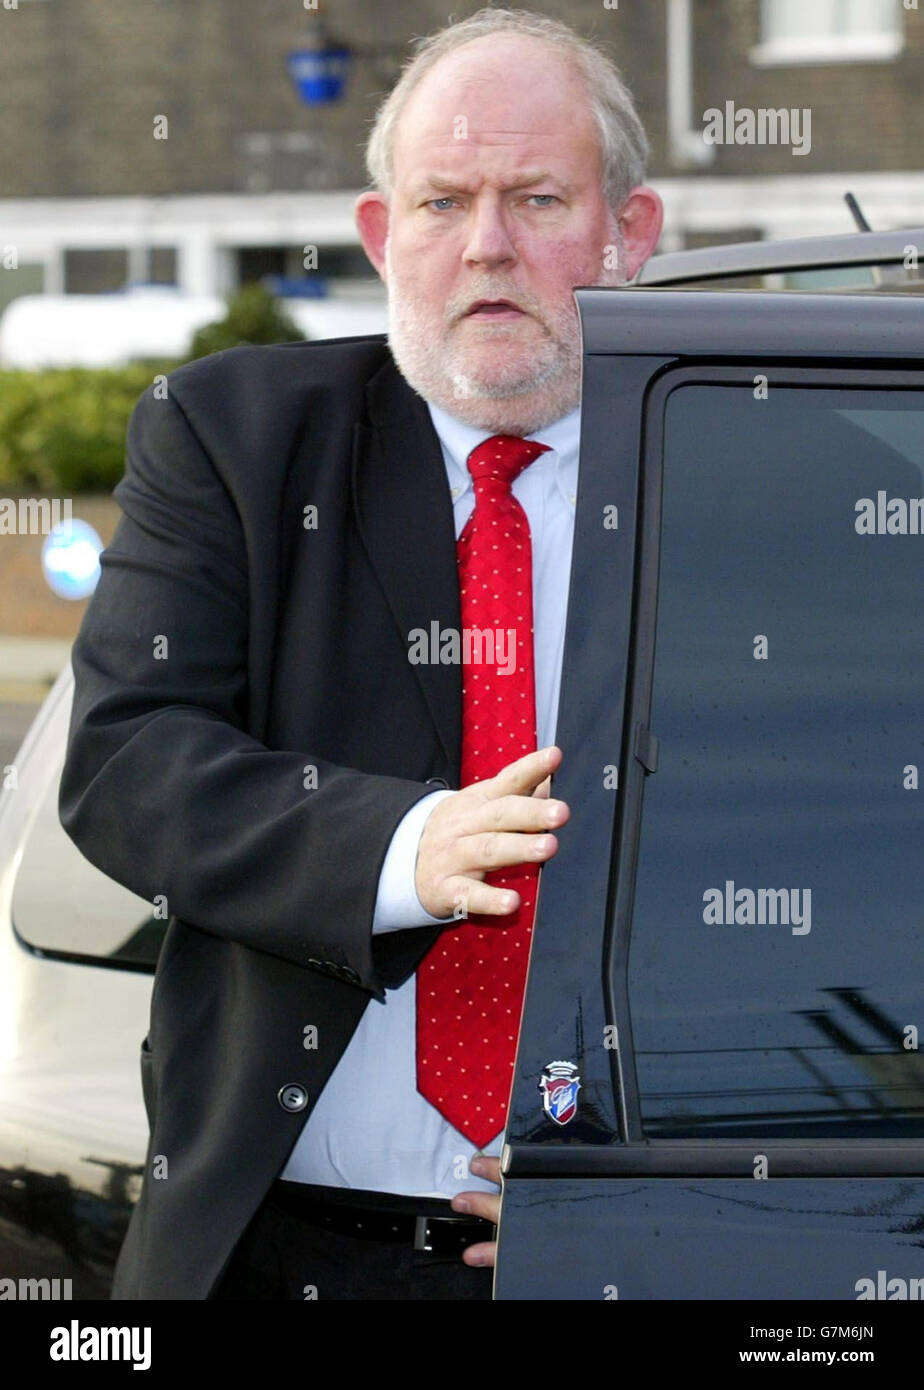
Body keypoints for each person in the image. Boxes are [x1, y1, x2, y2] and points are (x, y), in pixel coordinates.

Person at [58, 6, 662, 1300]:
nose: (487, 246)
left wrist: (677, 1174)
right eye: (442, 202)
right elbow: (126, 761)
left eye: (539, 199)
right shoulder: (236, 440)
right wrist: (406, 849)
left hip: (624, 1259)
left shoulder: (727, 475)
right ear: (384, 237)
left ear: (632, 233)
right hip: (278, 1248)